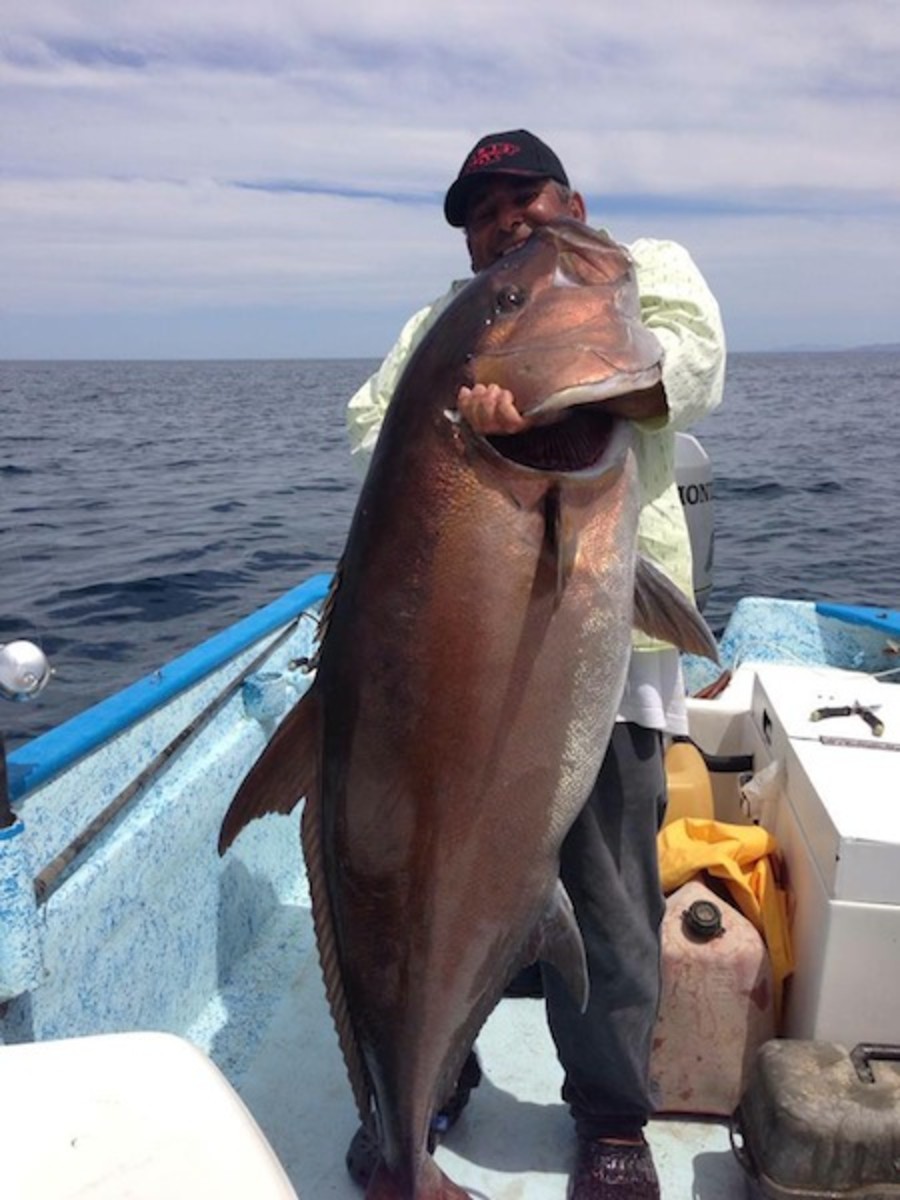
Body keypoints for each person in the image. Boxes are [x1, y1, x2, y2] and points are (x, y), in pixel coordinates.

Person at [345, 129, 726, 1200]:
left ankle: (609, 1115)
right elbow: (371, 419)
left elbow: (691, 368)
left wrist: (568, 382)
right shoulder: (441, 327)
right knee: (423, 877)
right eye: (482, 214)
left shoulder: (640, 271)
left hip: (610, 648)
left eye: (524, 197)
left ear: (575, 196)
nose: (505, 222)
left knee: (605, 901)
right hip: (452, 666)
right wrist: (457, 408)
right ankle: (422, 1086)